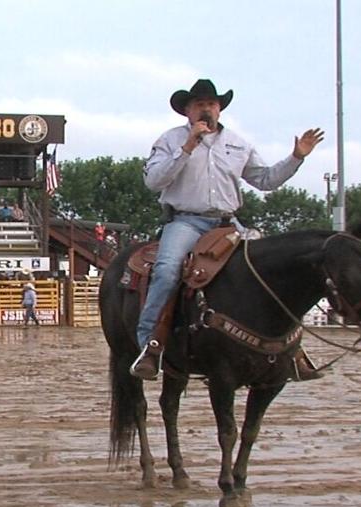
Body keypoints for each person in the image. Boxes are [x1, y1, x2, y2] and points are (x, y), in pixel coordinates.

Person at [130, 78, 324, 381]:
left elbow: (266, 180)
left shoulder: (238, 143)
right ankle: (150, 345)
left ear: (219, 108)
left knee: (269, 269)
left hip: (228, 222)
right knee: (167, 269)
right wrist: (188, 147)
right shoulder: (169, 140)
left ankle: (292, 350)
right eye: (199, 104)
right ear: (187, 112)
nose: (206, 108)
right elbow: (154, 181)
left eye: (211, 103)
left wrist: (296, 157)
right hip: (185, 221)